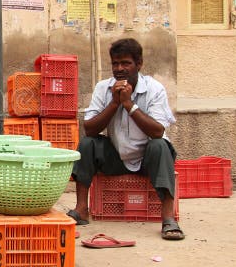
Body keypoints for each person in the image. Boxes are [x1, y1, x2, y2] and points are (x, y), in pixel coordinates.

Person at [68, 38, 185, 241]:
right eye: (115, 64)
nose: (120, 69)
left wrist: (129, 105)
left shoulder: (154, 89)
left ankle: (168, 218)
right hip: (117, 156)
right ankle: (81, 209)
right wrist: (114, 103)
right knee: (87, 144)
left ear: (138, 65)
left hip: (147, 159)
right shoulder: (103, 87)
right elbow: (90, 129)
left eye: (126, 63)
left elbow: (157, 131)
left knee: (160, 145)